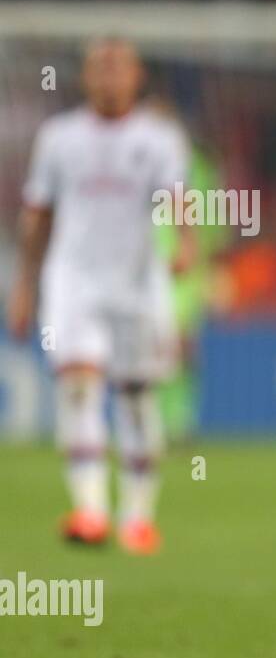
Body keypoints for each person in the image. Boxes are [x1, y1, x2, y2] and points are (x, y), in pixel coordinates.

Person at [7, 38, 194, 555]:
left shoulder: (159, 138)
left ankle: (137, 518)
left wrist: (185, 243)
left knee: (135, 395)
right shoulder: (58, 137)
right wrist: (24, 285)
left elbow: (178, 199)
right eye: (99, 68)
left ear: (136, 77)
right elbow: (37, 213)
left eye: (118, 68)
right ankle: (90, 511)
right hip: (74, 279)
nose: (109, 77)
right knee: (79, 385)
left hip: (138, 283)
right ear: (86, 78)